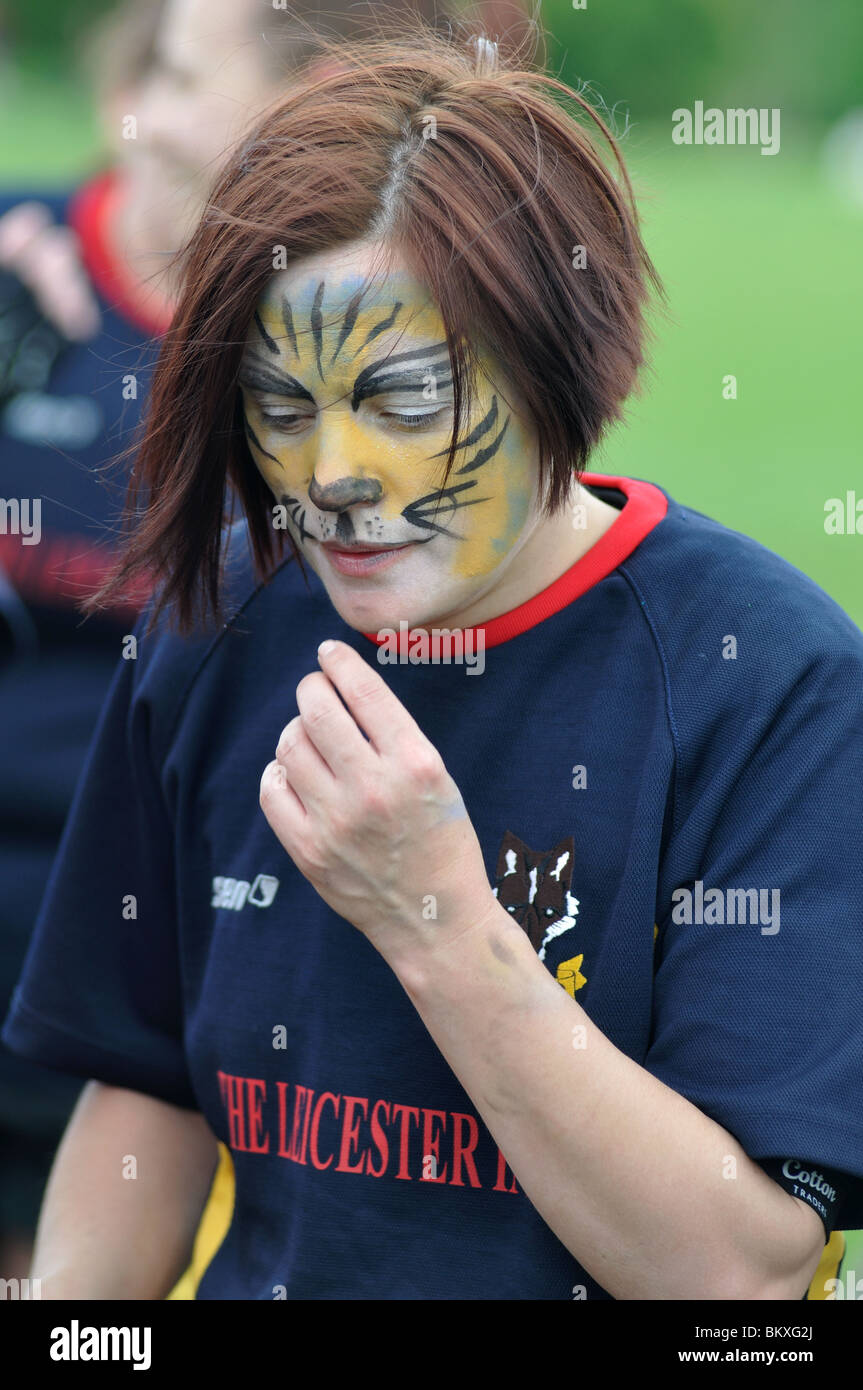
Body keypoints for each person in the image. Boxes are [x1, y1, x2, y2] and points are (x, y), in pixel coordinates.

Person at [4, 21, 863, 1302]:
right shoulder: (217, 628)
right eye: (282, 406)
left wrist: (440, 922)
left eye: (405, 399)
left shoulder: (772, 683)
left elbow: (736, 1280)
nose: (335, 475)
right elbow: (147, 1100)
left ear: (559, 354)